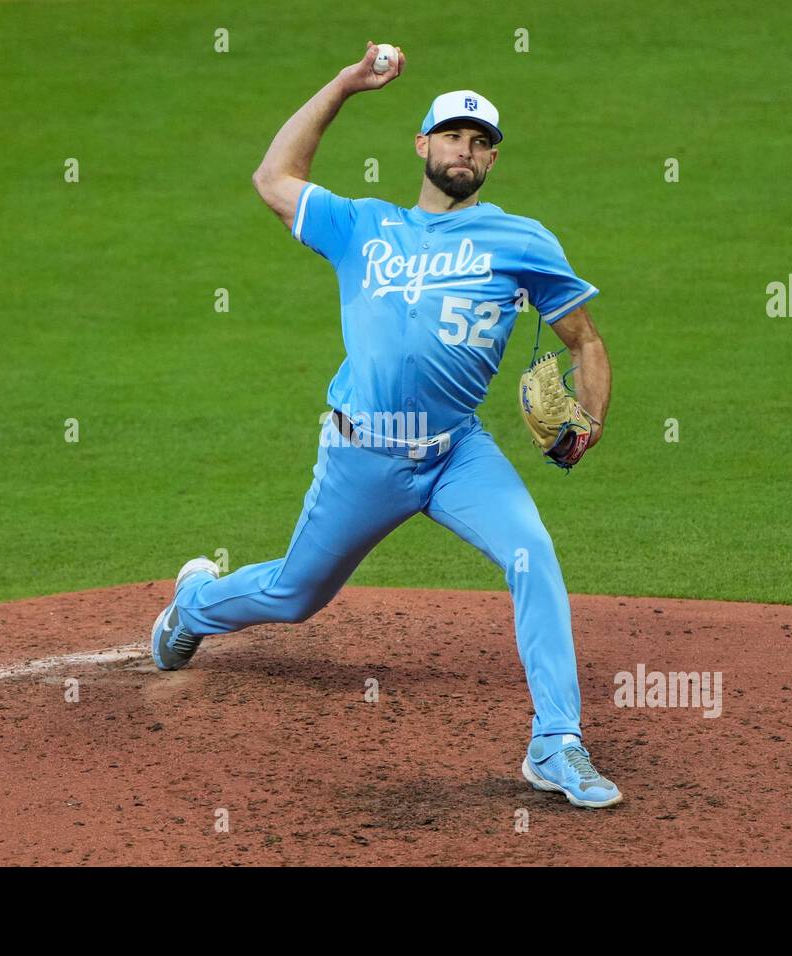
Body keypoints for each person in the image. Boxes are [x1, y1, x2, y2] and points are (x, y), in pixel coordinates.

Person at [152, 42, 621, 808]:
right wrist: (344, 84)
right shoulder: (360, 225)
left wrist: (590, 418)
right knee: (295, 595)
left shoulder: (521, 241)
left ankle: (556, 743)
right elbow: (273, 179)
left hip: (457, 452)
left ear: (491, 161)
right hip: (362, 455)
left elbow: (587, 342)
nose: (464, 150)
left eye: (480, 142)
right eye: (452, 136)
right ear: (422, 146)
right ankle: (194, 605)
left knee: (532, 552)